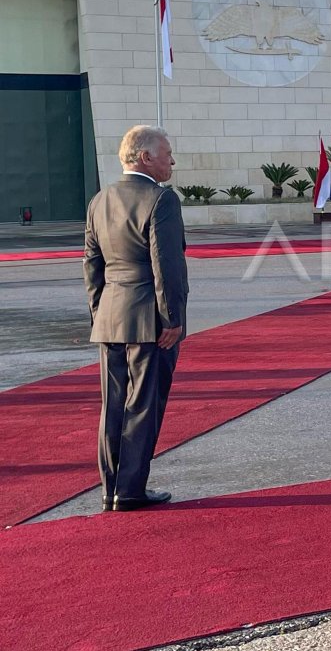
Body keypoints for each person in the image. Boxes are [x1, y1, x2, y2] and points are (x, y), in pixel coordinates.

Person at [83, 125, 187, 512]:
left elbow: (91, 265)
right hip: (150, 321)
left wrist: (100, 313)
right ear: (145, 156)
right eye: (167, 153)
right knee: (143, 404)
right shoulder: (161, 200)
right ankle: (130, 491)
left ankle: (111, 487)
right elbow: (167, 265)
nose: (172, 161)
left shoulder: (99, 200)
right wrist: (172, 318)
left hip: (111, 317)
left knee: (113, 405)